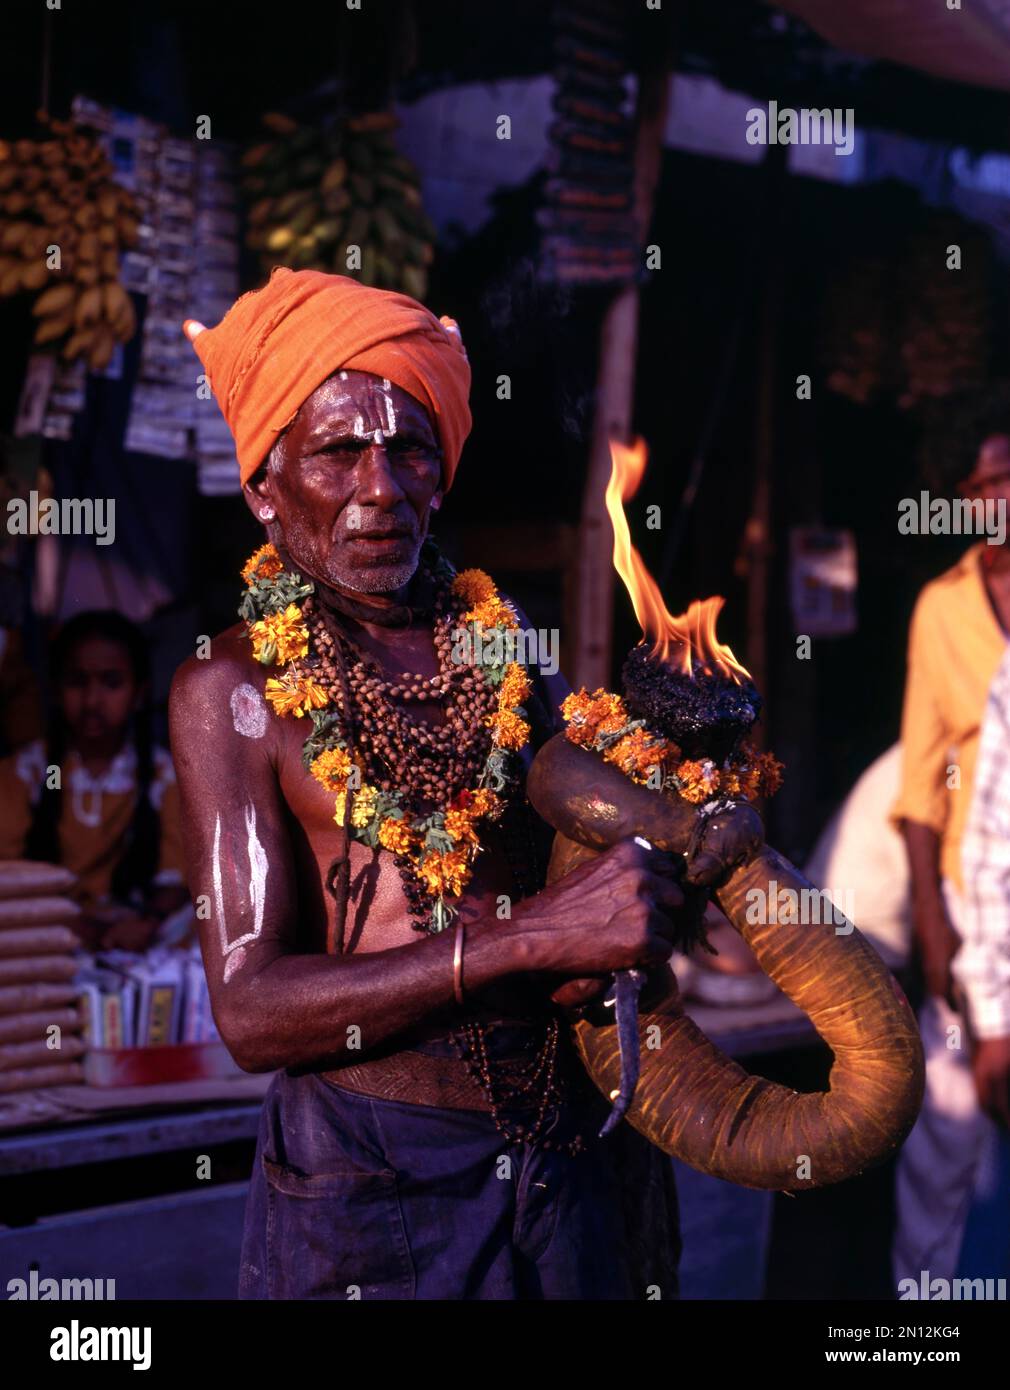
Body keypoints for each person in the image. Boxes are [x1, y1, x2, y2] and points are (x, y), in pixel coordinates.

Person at [170, 268, 685, 1300]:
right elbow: (253, 1012)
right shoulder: (232, 689)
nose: (379, 487)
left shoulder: (502, 655)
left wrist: (657, 878)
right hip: (377, 1177)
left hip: (574, 1146)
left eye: (407, 448)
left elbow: (589, 881)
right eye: (337, 452)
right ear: (264, 489)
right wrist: (530, 937)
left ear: (441, 471)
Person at [892, 399, 1010, 1286]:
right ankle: (926, 1316)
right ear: (967, 496)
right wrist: (933, 925)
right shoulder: (944, 609)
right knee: (951, 1130)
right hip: (975, 897)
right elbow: (922, 786)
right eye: (987, 483)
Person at [0, 610, 189, 951]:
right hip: (47, 926)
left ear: (140, 693)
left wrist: (146, 921)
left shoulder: (165, 776)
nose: (91, 701)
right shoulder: (24, 773)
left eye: (111, 682)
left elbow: (175, 880)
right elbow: (8, 874)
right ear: (56, 690)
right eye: (77, 682)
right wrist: (70, 921)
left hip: (134, 932)